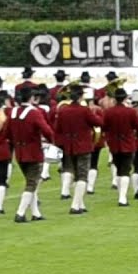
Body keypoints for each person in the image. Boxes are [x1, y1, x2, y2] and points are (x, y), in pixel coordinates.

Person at [53, 84, 102, 214]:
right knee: (82, 176)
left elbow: (57, 129)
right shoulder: (84, 110)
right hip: (83, 146)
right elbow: (98, 123)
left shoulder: (62, 110)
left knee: (75, 174)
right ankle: (75, 205)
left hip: (69, 146)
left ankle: (81, 204)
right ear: (81, 96)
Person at [8, 87, 55, 222]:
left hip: (19, 152)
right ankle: (20, 212)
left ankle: (36, 213)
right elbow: (47, 130)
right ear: (31, 98)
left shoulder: (13, 112)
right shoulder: (34, 113)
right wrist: (52, 141)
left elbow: (7, 133)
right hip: (33, 151)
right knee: (32, 183)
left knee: (30, 182)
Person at [101, 88, 138, 206]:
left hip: (114, 144)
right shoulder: (130, 111)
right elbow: (137, 126)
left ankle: (120, 196)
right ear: (125, 98)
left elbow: (104, 127)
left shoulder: (108, 112)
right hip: (128, 143)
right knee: (126, 170)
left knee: (118, 169)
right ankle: (123, 198)